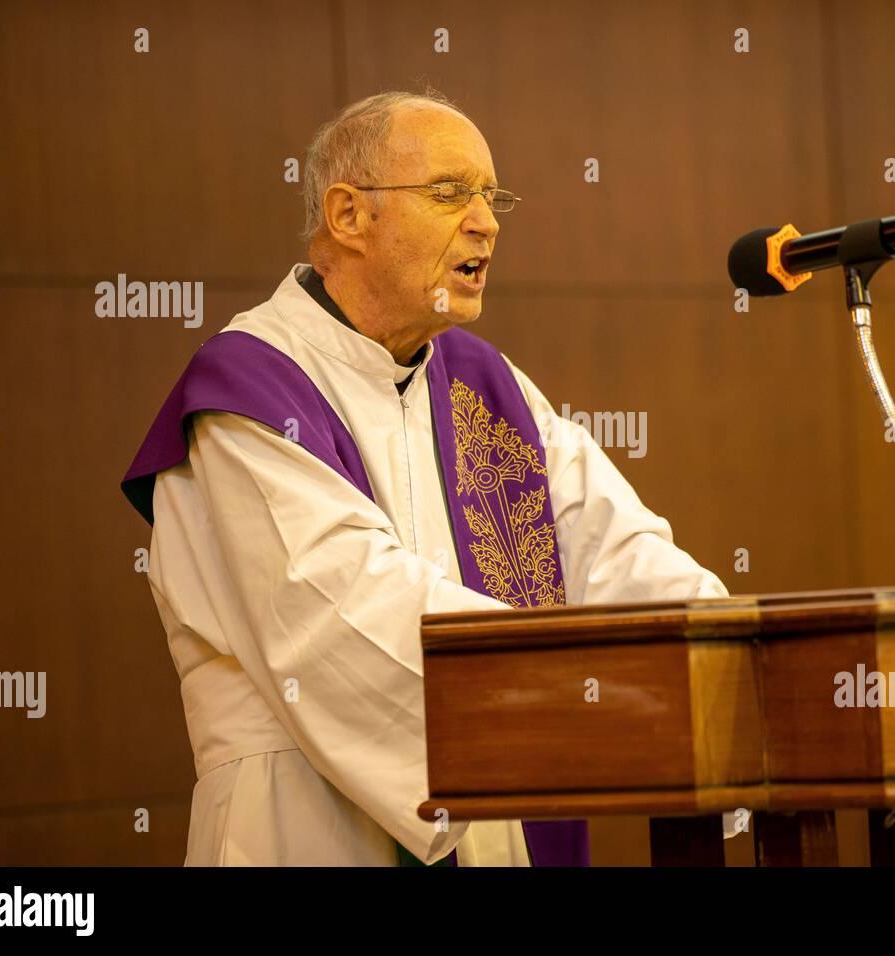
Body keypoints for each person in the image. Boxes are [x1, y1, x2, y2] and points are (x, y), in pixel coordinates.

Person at [121, 90, 728, 866]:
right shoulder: (247, 390)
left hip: (498, 826)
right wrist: (585, 688)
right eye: (451, 193)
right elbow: (343, 612)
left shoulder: (486, 386)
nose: (487, 220)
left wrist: (723, 658)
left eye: (492, 196)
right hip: (307, 828)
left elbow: (619, 551)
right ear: (348, 216)